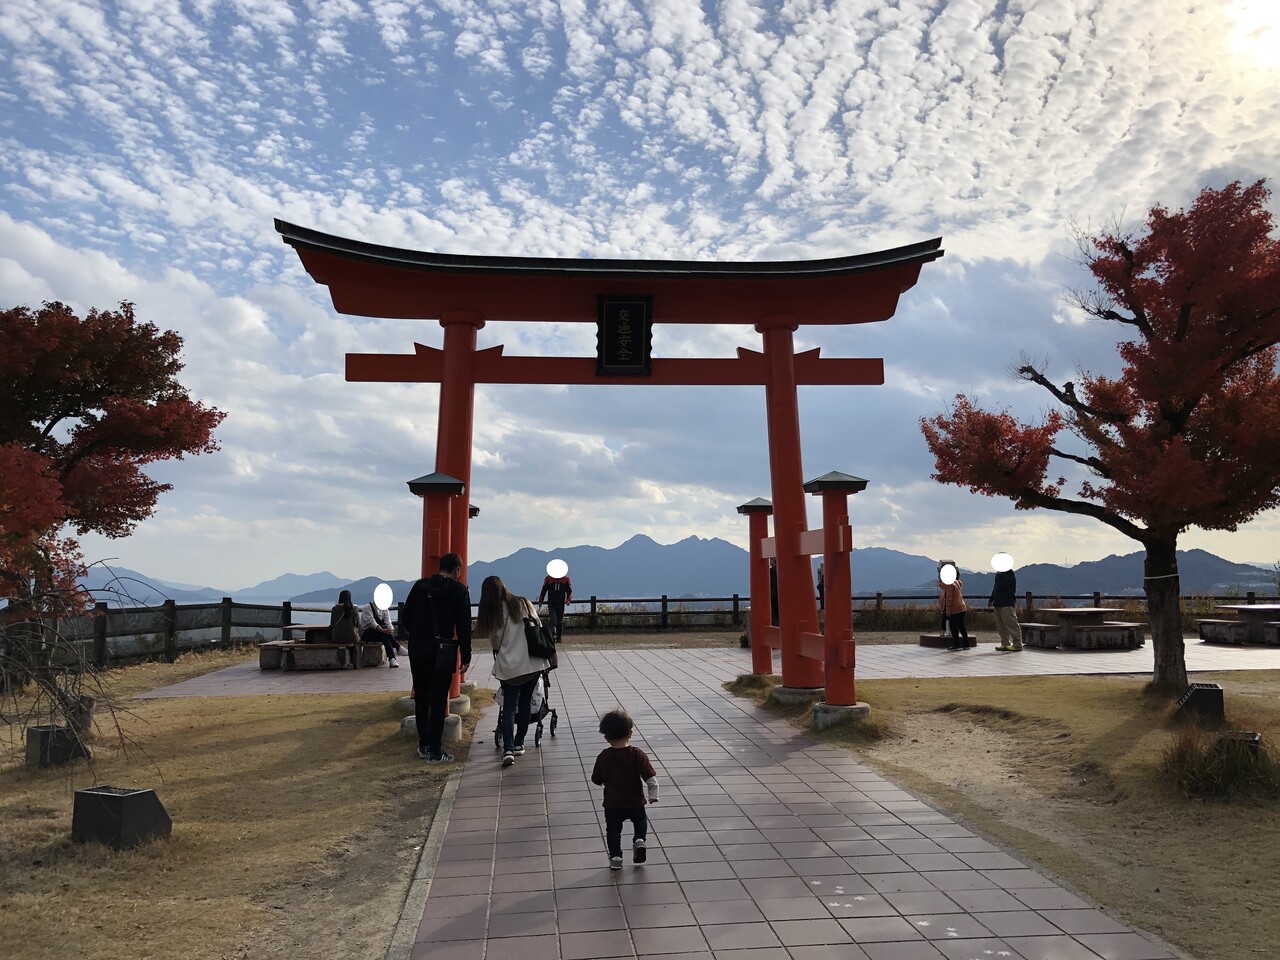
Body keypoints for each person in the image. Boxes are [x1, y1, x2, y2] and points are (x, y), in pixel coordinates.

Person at [401, 553, 472, 763]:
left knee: (421, 696)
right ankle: (435, 750)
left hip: (418, 649)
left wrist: (418, 634)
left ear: (440, 567)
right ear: (457, 570)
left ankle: (423, 744)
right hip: (443, 651)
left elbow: (406, 617)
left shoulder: (420, 586)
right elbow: (464, 626)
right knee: (439, 698)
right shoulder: (459, 590)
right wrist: (465, 655)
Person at [475, 576, 551, 768]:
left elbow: (496, 641)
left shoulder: (494, 612)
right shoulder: (523, 602)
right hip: (532, 663)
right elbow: (538, 626)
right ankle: (519, 743)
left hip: (510, 667)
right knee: (525, 704)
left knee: (509, 707)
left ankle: (508, 749)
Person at [590, 708, 659, 870]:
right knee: (640, 821)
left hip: (613, 805)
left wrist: (603, 780)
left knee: (613, 830)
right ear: (630, 733)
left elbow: (596, 779)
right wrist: (653, 795)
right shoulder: (637, 754)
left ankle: (616, 857)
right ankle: (639, 840)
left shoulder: (604, 756)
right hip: (635, 802)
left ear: (606, 737)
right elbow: (650, 778)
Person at [989, 555, 1024, 652]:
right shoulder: (998, 574)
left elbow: (1003, 585)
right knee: (1001, 625)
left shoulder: (1009, 574)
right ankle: (1005, 643)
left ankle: (1017, 644)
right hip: (998, 603)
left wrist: (1000, 575)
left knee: (1011, 624)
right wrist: (991, 600)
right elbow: (995, 588)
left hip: (1007, 603)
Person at [360, 595, 401, 667]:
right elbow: (371, 623)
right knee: (383, 632)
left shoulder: (384, 608)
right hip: (366, 633)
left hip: (380, 633)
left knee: (384, 637)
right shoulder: (367, 607)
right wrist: (383, 630)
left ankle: (392, 659)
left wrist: (390, 629)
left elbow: (388, 622)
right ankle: (398, 648)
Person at [536, 569, 572, 643]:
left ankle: (559, 637)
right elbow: (544, 590)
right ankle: (553, 636)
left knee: (560, 621)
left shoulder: (566, 579)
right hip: (551, 603)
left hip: (561, 603)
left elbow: (569, 591)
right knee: (553, 620)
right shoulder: (548, 579)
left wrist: (568, 600)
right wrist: (541, 600)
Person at [940, 574, 972, 651]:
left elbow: (949, 598)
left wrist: (948, 610)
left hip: (955, 609)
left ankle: (957, 644)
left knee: (953, 627)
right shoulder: (956, 582)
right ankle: (966, 644)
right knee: (961, 626)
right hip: (961, 607)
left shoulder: (949, 584)